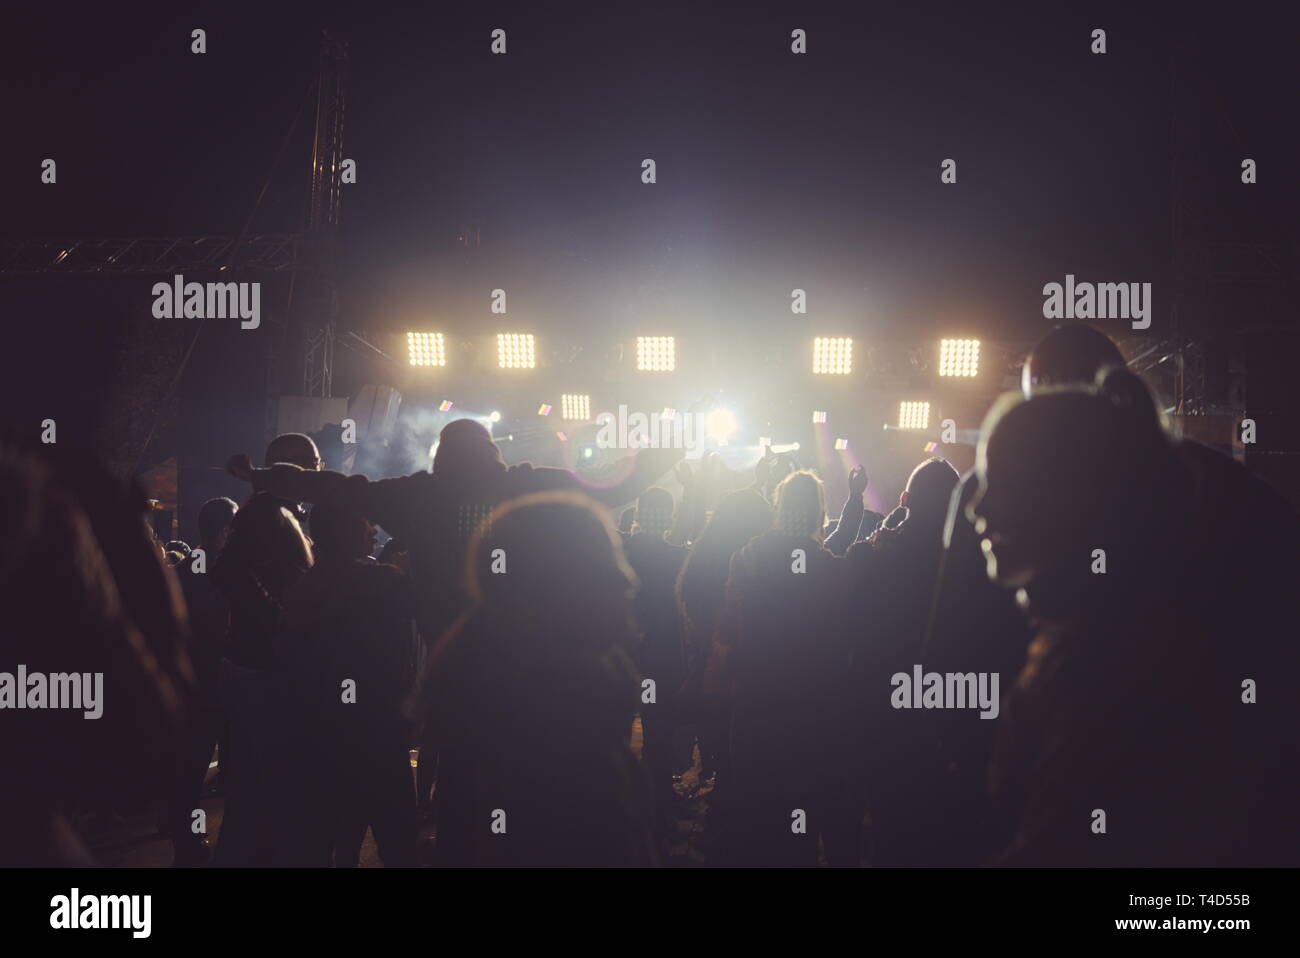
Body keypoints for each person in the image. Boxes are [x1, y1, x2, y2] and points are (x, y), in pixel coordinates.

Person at [972, 367, 1300, 865]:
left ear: (1067, 496)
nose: (977, 508)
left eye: (1002, 483)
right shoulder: (1123, 623)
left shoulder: (1106, 662)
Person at [420, 491, 656, 866]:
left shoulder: (507, 671)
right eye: (607, 562)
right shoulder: (556, 707)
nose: (628, 580)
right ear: (558, 589)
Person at [707, 471, 854, 865]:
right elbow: (838, 640)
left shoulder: (747, 557)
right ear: (817, 513)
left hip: (756, 696)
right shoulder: (828, 569)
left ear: (781, 508)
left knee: (755, 799)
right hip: (809, 704)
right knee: (800, 802)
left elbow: (729, 626)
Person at [278, 502, 419, 866]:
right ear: (344, 531)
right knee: (398, 840)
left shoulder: (300, 591)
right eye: (365, 523)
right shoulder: (387, 581)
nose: (373, 531)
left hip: (323, 737)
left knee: (331, 842)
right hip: (382, 732)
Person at [845, 457, 960, 866]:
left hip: (881, 719)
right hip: (952, 722)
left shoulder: (870, 560)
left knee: (888, 830)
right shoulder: (979, 571)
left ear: (905, 499)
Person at [675, 489, 773, 795]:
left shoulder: (703, 559)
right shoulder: (755, 563)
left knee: (724, 765)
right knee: (744, 769)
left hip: (712, 677)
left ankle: (719, 827)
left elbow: (692, 606)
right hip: (747, 679)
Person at [167, 496, 237, 865]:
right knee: (230, 771)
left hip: (192, 685)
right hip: (220, 684)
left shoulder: (182, 573)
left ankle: (188, 844)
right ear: (225, 530)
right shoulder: (226, 573)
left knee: (191, 773)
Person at [621, 487, 689, 840]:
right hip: (660, 660)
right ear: (668, 517)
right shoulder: (677, 556)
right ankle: (656, 808)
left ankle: (623, 807)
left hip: (627, 656)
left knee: (617, 735)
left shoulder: (624, 551)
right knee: (657, 737)